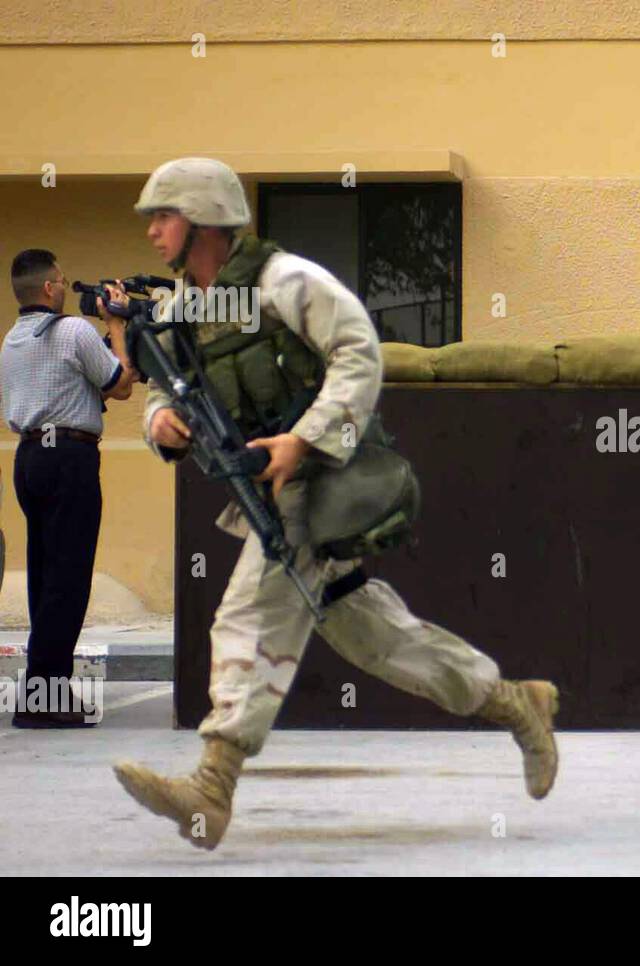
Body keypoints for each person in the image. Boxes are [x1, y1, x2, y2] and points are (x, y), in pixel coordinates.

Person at [111, 158, 559, 849]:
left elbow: (360, 354)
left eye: (162, 216)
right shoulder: (180, 309)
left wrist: (304, 440)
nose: (151, 231)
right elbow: (165, 392)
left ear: (202, 219)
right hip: (260, 487)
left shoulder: (285, 281)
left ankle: (212, 786)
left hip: (319, 480)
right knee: (377, 639)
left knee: (248, 612)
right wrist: (160, 426)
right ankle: (515, 702)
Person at [1, 250, 135, 728]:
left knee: (45, 574)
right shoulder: (75, 333)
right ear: (51, 289)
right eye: (61, 278)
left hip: (31, 458)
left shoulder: (12, 341)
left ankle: (43, 687)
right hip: (69, 459)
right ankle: (44, 698)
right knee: (69, 577)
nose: (65, 285)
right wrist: (117, 326)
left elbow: (77, 389)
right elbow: (120, 385)